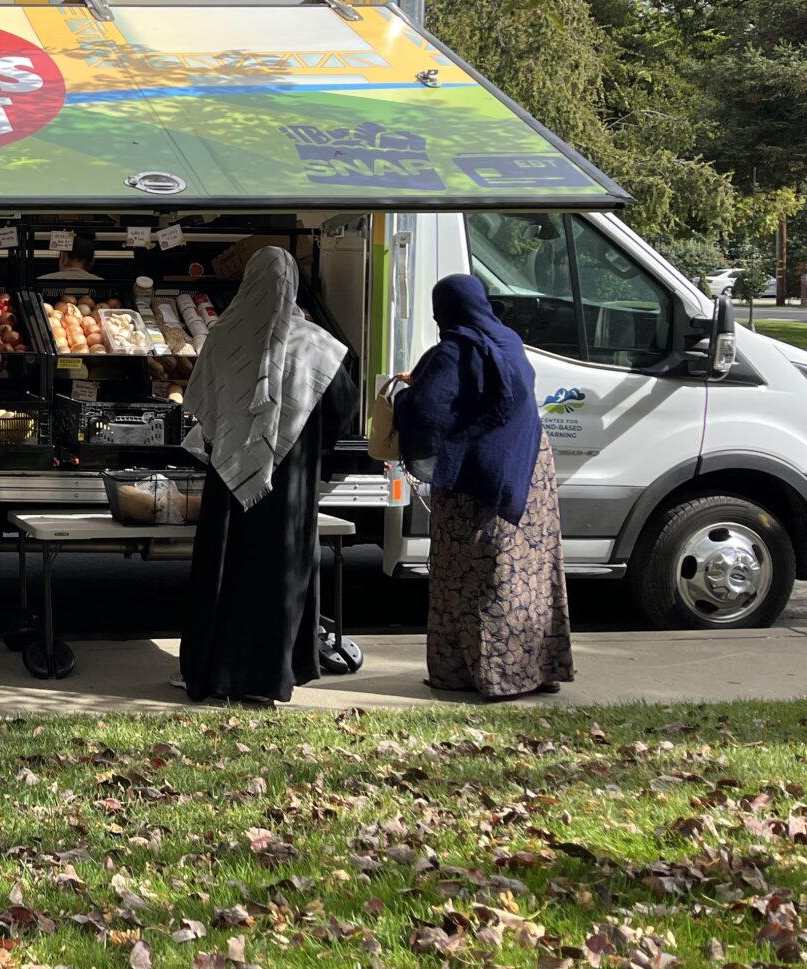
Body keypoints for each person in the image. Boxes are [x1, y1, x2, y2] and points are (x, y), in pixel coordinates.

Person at [178, 246, 356, 706]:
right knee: (279, 571)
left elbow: (204, 404)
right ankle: (271, 675)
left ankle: (213, 672)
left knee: (225, 570)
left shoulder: (224, 335)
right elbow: (341, 411)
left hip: (228, 480)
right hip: (291, 486)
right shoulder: (321, 347)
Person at [393, 274, 573, 699]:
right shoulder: (508, 340)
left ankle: (483, 674)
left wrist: (404, 395)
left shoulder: (453, 353)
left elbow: (428, 413)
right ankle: (537, 671)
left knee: (472, 578)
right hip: (528, 470)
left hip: (475, 481)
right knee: (528, 575)